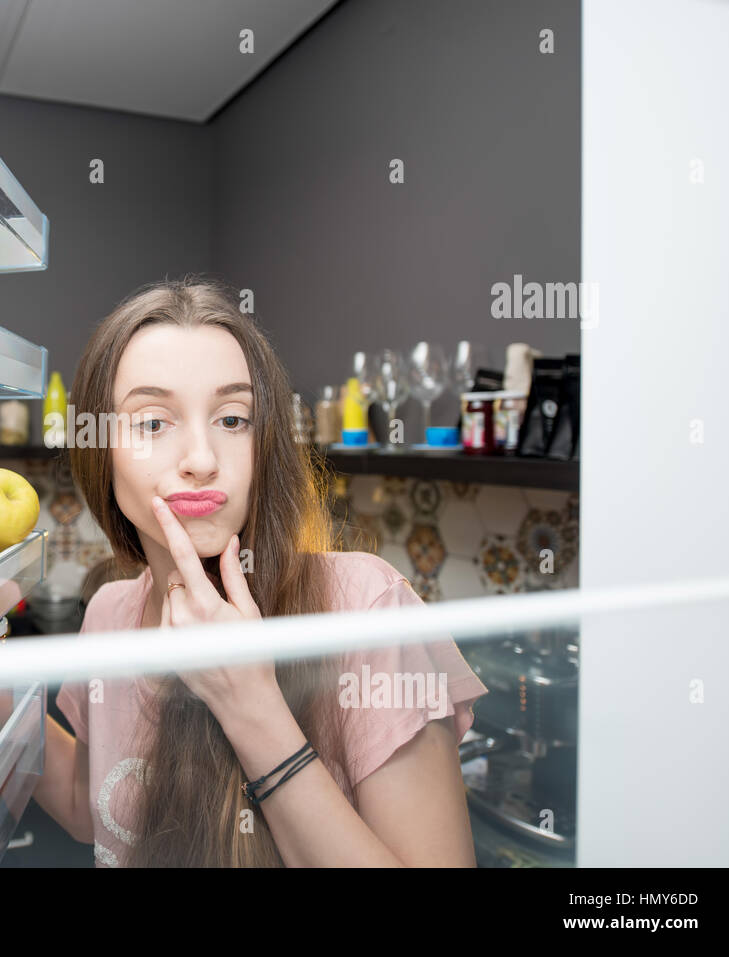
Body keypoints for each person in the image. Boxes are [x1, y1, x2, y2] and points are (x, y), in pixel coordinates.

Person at [31, 276, 488, 867]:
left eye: (232, 420)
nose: (200, 460)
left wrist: (249, 703)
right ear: (102, 453)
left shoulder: (365, 610)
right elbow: (90, 808)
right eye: (152, 423)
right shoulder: (108, 614)